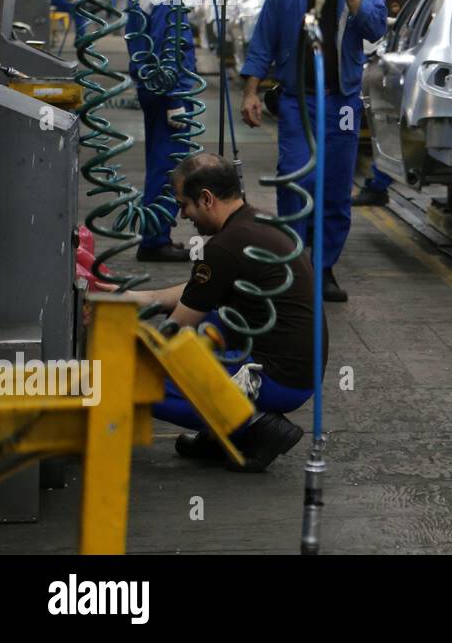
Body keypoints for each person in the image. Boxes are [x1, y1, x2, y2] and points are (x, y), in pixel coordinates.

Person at [120, 153, 326, 471]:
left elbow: (174, 331)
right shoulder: (255, 223)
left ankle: (254, 426)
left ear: (206, 199)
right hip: (300, 368)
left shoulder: (224, 246)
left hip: (277, 379)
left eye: (184, 204)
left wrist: (114, 347)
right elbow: (202, 290)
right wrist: (141, 298)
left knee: (139, 379)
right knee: (210, 322)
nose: (181, 215)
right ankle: (222, 427)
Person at [239, 0, 385, 303]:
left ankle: (323, 269)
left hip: (342, 100)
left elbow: (375, 28)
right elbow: (263, 42)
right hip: (297, 101)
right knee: (295, 178)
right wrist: (251, 91)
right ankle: (292, 264)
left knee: (336, 188)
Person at [126, 0, 209, 261]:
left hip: (153, 88)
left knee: (160, 161)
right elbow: (166, 49)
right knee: (168, 165)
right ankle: (155, 240)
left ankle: (154, 234)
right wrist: (175, 98)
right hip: (168, 93)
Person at [353, 0, 421, 207]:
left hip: (398, 67)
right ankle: (377, 180)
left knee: (386, 124)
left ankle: (378, 183)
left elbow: (394, 31)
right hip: (405, 65)